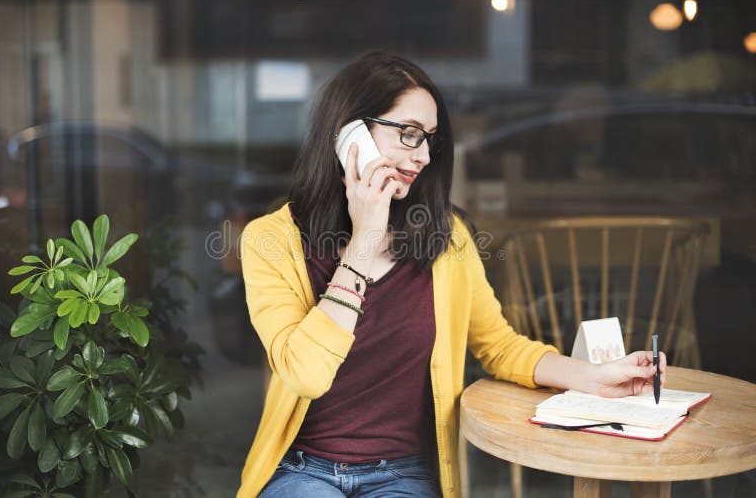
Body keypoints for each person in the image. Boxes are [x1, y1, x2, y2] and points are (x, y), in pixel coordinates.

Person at [235, 51, 666, 498]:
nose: (422, 155)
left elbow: (498, 346)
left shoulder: (447, 238)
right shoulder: (270, 242)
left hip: (403, 474)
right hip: (304, 471)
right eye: (408, 134)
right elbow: (306, 375)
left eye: (430, 139)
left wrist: (592, 376)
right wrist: (364, 242)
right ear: (349, 135)